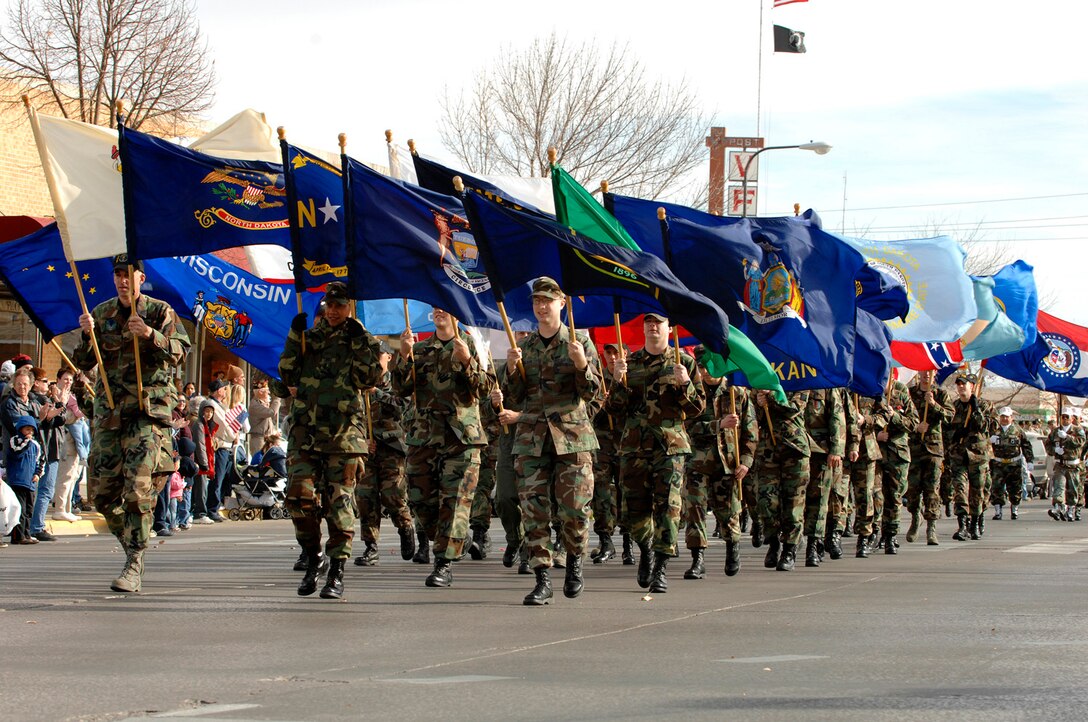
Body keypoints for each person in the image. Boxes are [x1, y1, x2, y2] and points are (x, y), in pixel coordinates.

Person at [73, 254, 191, 592]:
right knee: (101, 495)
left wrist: (150, 334)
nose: (123, 281)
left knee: (138, 490)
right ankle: (132, 544)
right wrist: (87, 335)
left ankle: (134, 561)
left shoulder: (159, 311)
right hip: (110, 414)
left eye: (129, 274)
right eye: (118, 275)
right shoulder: (102, 313)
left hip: (146, 415)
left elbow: (181, 352)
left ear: (141, 277)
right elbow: (84, 362)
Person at [279, 281, 383, 600]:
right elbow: (287, 375)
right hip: (305, 434)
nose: (333, 311)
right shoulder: (308, 339)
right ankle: (314, 557)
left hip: (343, 437)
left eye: (340, 305)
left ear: (350, 307)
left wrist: (360, 340)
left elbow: (370, 378)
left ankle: (337, 571)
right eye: (329, 305)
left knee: (340, 506)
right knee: (298, 500)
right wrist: (294, 336)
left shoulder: (362, 340)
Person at [502, 278, 602, 606]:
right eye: (537, 301)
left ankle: (574, 563)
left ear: (562, 303)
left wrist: (582, 365)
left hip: (572, 438)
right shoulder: (526, 347)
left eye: (548, 300)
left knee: (574, 508)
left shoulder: (579, 342)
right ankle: (542, 578)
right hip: (531, 438)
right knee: (533, 510)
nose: (542, 306)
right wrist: (512, 370)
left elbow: (594, 393)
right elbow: (515, 397)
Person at [393, 307, 491, 588]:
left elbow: (485, 389)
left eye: (444, 307)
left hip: (462, 439)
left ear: (456, 313)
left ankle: (443, 564)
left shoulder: (474, 345)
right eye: (435, 307)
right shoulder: (420, 348)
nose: (439, 311)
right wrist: (403, 355)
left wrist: (467, 360)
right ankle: (459, 539)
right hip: (424, 437)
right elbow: (400, 389)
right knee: (420, 501)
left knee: (455, 501)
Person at [608, 313, 704, 593]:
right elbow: (614, 410)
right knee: (634, 509)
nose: (652, 326)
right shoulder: (630, 363)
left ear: (669, 328)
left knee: (668, 507)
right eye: (648, 322)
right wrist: (616, 380)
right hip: (635, 447)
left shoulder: (683, 362)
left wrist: (685, 384)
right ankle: (646, 548)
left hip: (669, 447)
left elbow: (697, 409)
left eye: (658, 322)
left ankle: (660, 567)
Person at [355, 342, 415, 566]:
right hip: (367, 451)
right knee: (365, 498)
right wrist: (361, 440)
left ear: (389, 357)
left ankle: (405, 527)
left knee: (394, 495)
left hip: (392, 449)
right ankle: (371, 546)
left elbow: (403, 407)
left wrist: (378, 393)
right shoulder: (359, 385)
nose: (374, 359)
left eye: (378, 355)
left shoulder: (397, 382)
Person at [905, 370, 954, 545]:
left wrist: (933, 404)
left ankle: (931, 527)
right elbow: (901, 417)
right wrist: (915, 427)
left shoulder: (940, 394)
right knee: (913, 489)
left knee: (932, 489)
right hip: (913, 448)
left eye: (930, 371)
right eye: (924, 371)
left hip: (933, 449)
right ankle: (915, 517)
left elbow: (950, 417)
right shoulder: (909, 393)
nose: (927, 374)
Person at [946, 372, 997, 540]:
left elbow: (987, 427)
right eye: (958, 384)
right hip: (958, 455)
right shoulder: (953, 406)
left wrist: (976, 410)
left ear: (972, 386)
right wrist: (954, 436)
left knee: (978, 492)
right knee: (960, 490)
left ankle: (975, 523)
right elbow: (946, 429)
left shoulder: (984, 405)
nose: (961, 386)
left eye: (964, 384)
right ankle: (962, 525)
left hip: (978, 456)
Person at [6, 415, 44, 544]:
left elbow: (40, 460)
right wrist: (27, 441)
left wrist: (38, 474)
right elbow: (17, 452)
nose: (30, 432)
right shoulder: (14, 441)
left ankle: (27, 534)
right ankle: (18, 536)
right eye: (27, 429)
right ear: (20, 429)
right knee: (19, 509)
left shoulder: (35, 445)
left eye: (32, 430)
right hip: (17, 481)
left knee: (28, 510)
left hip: (30, 482)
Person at [990, 406, 1033, 520]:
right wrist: (989, 441)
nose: (1004, 419)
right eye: (1002, 416)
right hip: (998, 464)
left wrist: (1029, 460)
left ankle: (1014, 509)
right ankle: (998, 511)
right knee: (996, 488)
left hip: (1014, 464)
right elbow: (984, 444)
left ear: (1011, 417)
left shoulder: (1018, 430)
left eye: (1007, 417)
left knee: (1015, 488)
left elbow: (1026, 445)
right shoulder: (993, 430)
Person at [1045, 407, 1084, 523]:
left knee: (1072, 489)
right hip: (1060, 464)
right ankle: (1058, 507)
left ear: (1072, 418)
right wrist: (1055, 450)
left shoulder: (1078, 430)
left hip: (1073, 466)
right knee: (1059, 486)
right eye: (1063, 417)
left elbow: (1081, 442)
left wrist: (1067, 437)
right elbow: (1048, 445)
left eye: (1067, 417)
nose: (1065, 419)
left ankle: (1070, 510)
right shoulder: (1055, 431)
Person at [247, 379, 281, 461]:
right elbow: (272, 412)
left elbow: (266, 422)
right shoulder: (254, 405)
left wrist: (273, 432)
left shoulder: (262, 404)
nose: (269, 392)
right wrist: (277, 398)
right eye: (267, 391)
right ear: (260, 392)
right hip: (259, 440)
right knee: (260, 463)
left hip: (266, 439)